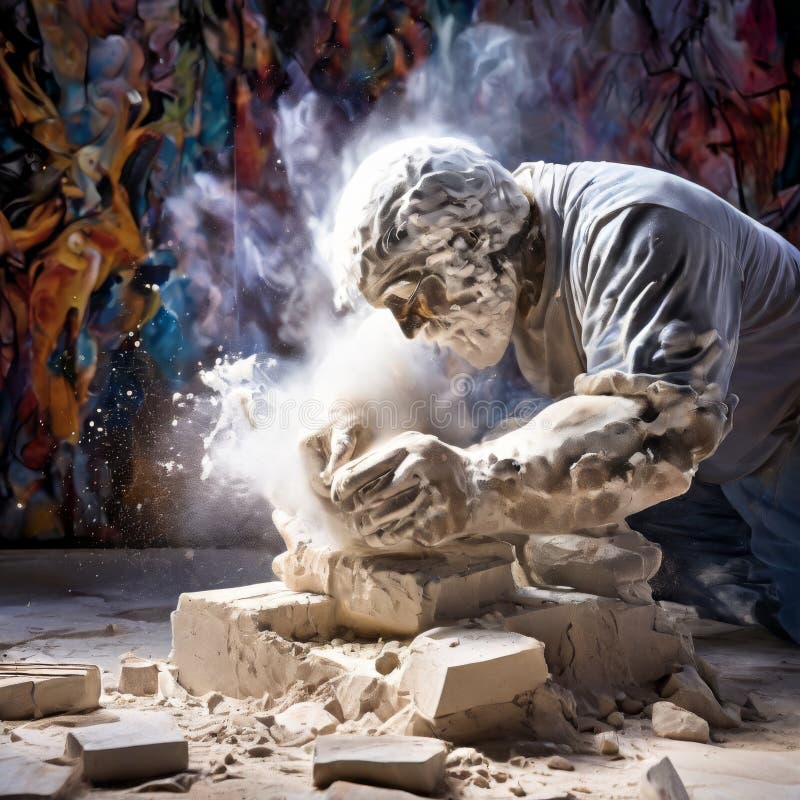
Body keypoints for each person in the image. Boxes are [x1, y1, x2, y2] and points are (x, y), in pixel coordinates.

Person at [321, 137, 800, 642]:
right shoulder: (501, 252)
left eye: (411, 303)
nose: (412, 328)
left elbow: (654, 432)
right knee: (716, 608)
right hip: (724, 460)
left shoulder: (639, 230)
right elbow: (394, 345)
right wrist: (346, 409)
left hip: (785, 426)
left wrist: (470, 482)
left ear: (470, 241)